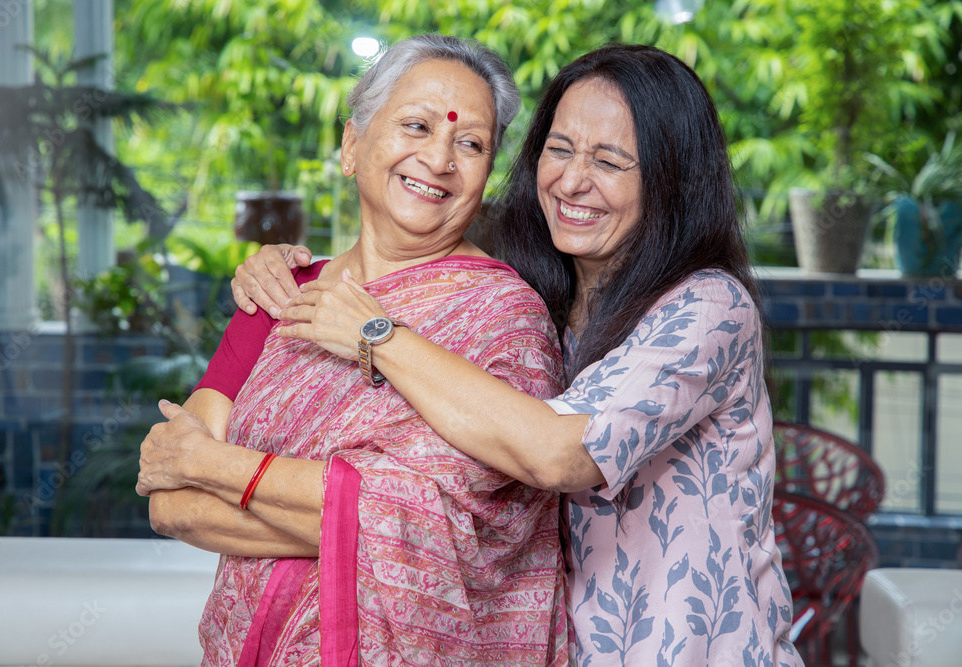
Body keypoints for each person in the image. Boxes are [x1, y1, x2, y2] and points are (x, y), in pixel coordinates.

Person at [233, 44, 805, 667]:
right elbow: (414, 511)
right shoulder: (533, 304)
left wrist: (376, 334)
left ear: (670, 180)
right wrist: (285, 265)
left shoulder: (707, 308)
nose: (572, 180)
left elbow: (558, 453)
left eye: (610, 160)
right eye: (559, 150)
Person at [136, 34, 569, 666]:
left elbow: (456, 534)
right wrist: (364, 524)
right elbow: (174, 503)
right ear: (350, 145)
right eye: (415, 125)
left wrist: (219, 468)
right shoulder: (279, 296)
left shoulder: (503, 321)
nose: (440, 158)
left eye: (471, 143)